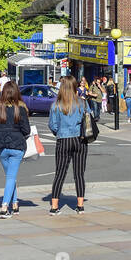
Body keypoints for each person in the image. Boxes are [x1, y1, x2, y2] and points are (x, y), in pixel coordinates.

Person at [0, 81, 31, 218]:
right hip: (17, 145)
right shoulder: (21, 108)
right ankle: (5, 207)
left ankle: (15, 203)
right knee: (11, 177)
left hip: (1, 145)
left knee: (10, 176)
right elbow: (26, 130)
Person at [48, 80, 88, 214]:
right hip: (79, 139)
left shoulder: (56, 104)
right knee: (79, 173)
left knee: (60, 173)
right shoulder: (81, 103)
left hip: (63, 139)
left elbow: (52, 125)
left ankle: (54, 206)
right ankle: (80, 205)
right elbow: (89, 118)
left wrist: (58, 132)